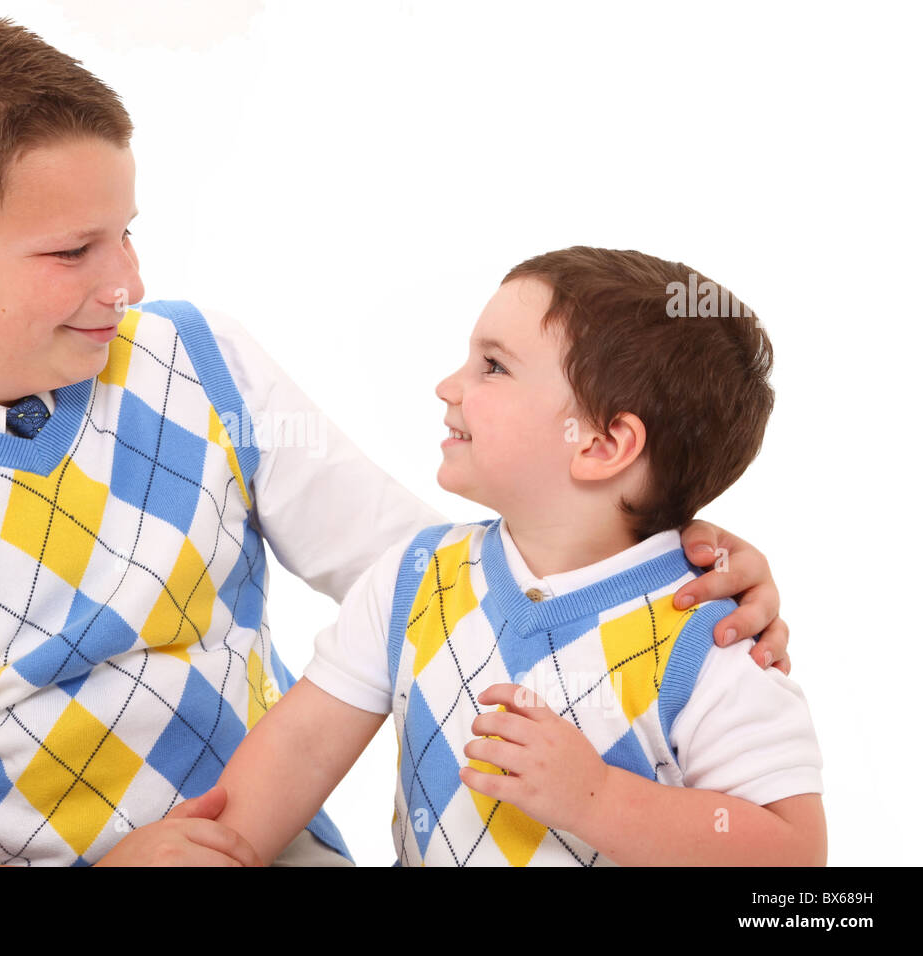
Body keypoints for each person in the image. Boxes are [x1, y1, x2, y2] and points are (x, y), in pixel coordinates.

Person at [0, 9, 793, 867]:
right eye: (74, 249)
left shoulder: (195, 361)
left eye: (127, 234)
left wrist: (658, 544)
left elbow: (441, 589)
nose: (126, 282)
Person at [212, 247, 825, 866]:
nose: (449, 386)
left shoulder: (711, 636)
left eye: (494, 366)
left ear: (602, 444)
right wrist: (217, 848)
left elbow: (795, 856)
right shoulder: (412, 577)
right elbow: (302, 745)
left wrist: (600, 800)